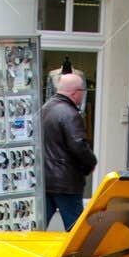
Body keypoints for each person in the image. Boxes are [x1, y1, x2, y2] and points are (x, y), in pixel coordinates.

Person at [40, 71, 96, 230]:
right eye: (82, 92)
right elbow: (78, 145)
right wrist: (90, 163)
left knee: (39, 227)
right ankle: (75, 256)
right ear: (75, 93)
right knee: (76, 231)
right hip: (66, 182)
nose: (83, 96)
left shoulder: (45, 109)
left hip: (45, 180)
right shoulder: (70, 114)